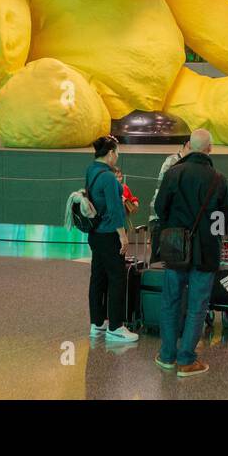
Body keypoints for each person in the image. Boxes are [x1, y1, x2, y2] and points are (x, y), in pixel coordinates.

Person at [153, 128, 228, 377]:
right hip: (206, 252)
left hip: (175, 248)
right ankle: (187, 360)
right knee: (198, 305)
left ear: (189, 146)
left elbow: (160, 208)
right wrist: (211, 233)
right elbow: (224, 220)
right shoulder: (218, 179)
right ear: (209, 149)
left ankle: (167, 355)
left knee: (170, 302)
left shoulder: (173, 173)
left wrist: (175, 227)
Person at [83, 135, 137, 344]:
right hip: (109, 235)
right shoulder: (107, 177)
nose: (117, 157)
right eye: (117, 153)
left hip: (95, 234)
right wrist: (123, 236)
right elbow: (115, 210)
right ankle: (115, 326)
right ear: (111, 153)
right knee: (116, 278)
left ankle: (97, 323)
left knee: (98, 277)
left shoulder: (91, 171)